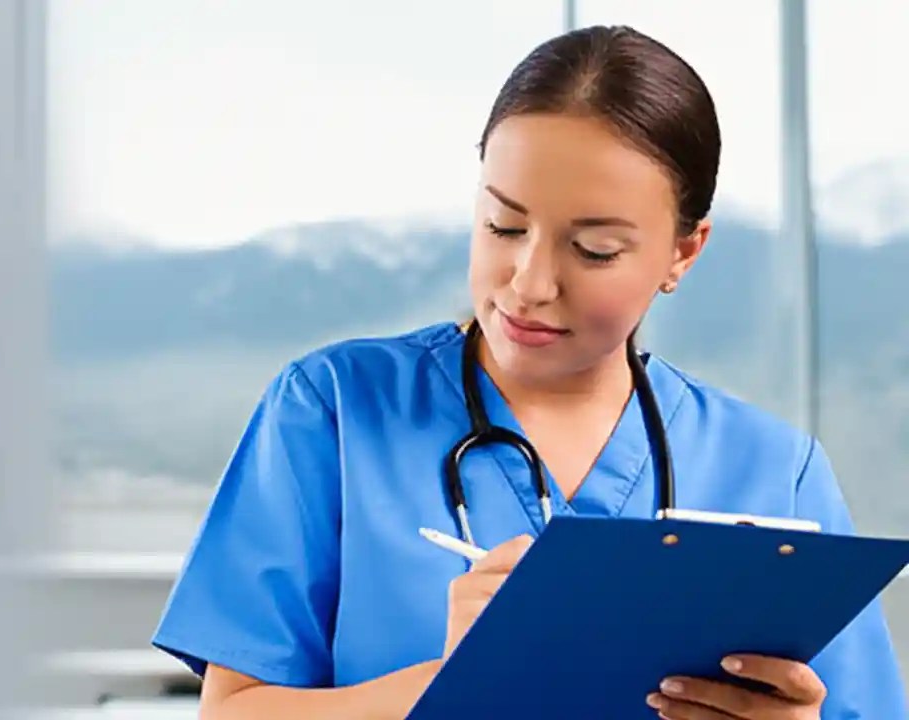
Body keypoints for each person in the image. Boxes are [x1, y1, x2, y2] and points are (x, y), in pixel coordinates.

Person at [150, 24, 907, 720]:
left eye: (595, 250)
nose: (529, 283)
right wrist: (457, 680)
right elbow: (233, 711)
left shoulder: (774, 470)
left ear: (684, 251)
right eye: (503, 226)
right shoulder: (335, 410)